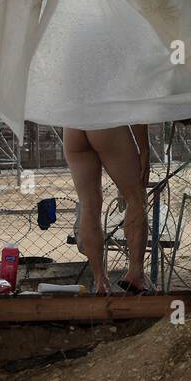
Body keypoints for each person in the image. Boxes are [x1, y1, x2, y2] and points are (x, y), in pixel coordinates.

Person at [63, 124, 151, 294]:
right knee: (136, 198)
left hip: (72, 126)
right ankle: (135, 275)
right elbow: (135, 104)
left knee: (88, 204)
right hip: (105, 120)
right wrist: (144, 148)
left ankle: (100, 281)